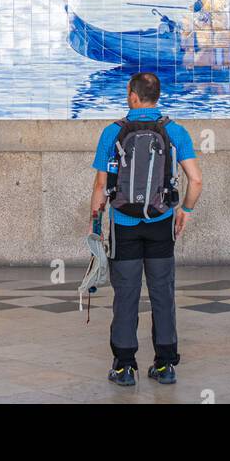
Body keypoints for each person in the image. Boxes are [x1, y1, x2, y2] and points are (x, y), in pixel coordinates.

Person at [89, 72, 202, 388]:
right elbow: (195, 180)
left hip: (123, 224)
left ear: (132, 95)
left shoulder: (113, 132)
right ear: (157, 96)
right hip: (160, 222)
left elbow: (101, 184)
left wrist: (95, 220)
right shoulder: (174, 131)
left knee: (125, 294)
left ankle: (125, 367)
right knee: (162, 293)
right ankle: (165, 365)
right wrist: (186, 212)